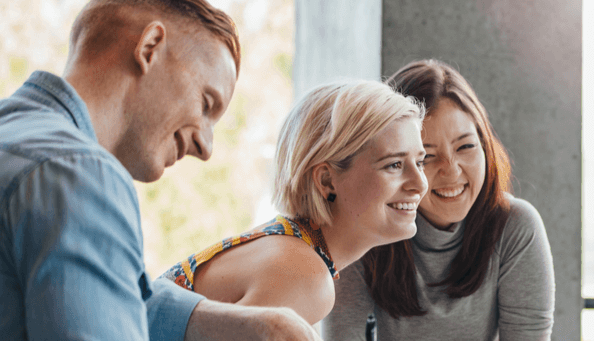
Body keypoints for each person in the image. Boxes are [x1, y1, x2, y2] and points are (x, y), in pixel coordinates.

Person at [0, 0, 398, 341]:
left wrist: (266, 324)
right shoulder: (79, 175)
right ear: (150, 48)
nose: (206, 146)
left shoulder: (20, 142)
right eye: (207, 103)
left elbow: (114, 306)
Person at [324, 60, 558, 341]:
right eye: (427, 157)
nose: (451, 171)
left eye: (465, 147)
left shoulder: (516, 226)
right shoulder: (362, 228)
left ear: (486, 146)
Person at [160, 80, 428, 326]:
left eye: (420, 162)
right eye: (394, 165)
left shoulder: (294, 248)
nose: (421, 184)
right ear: (326, 181)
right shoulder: (305, 277)